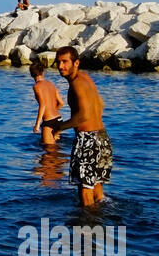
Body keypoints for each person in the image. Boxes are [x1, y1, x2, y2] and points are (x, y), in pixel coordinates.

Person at [43, 45, 112, 207]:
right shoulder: (86, 78)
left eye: (65, 62)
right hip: (102, 137)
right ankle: (99, 220)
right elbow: (101, 104)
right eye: (58, 62)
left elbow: (83, 116)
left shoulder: (76, 84)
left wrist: (59, 128)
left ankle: (87, 226)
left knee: (84, 189)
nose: (60, 66)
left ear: (76, 63)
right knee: (96, 186)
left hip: (87, 139)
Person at [29, 60, 64, 145]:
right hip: (59, 119)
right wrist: (53, 110)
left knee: (49, 151)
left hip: (49, 122)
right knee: (57, 150)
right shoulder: (51, 84)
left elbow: (43, 104)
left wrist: (37, 124)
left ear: (31, 74)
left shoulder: (36, 86)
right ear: (43, 72)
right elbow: (61, 103)